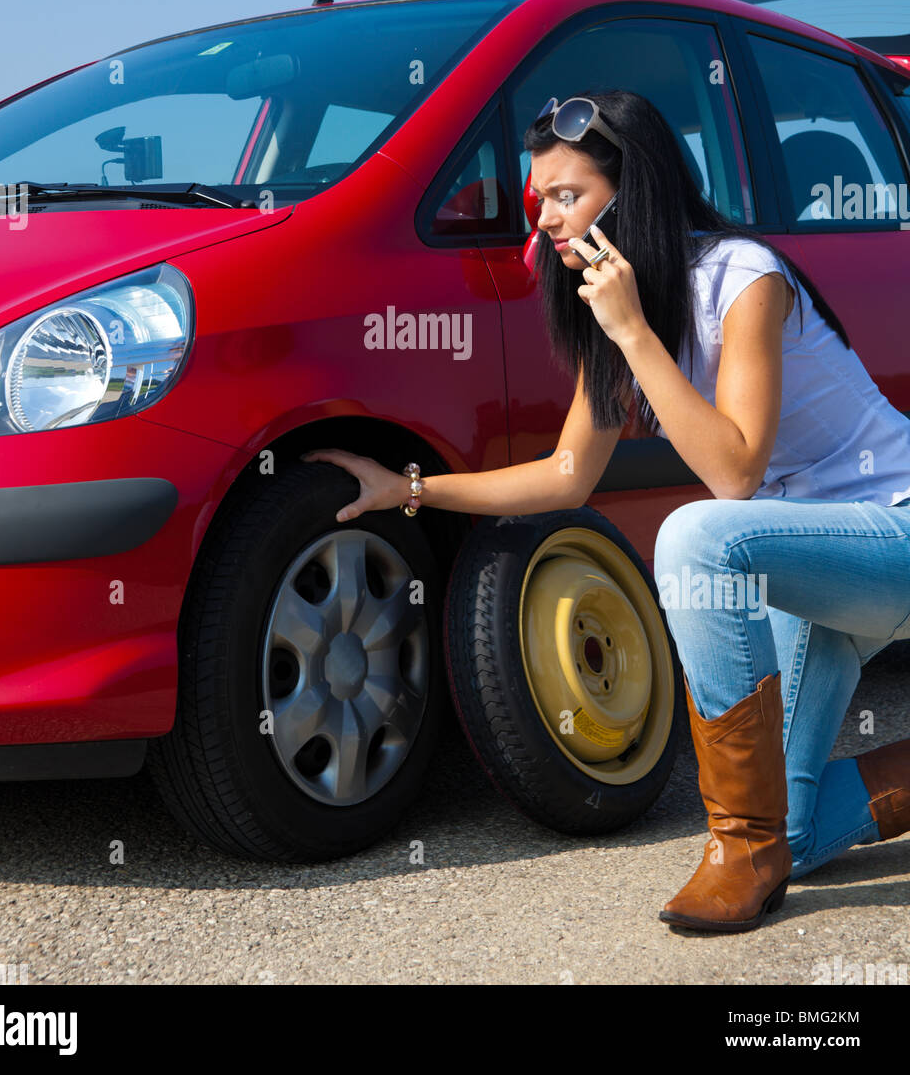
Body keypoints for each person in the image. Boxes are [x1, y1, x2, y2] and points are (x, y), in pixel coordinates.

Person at [301, 87, 910, 934]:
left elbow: (734, 473)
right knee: (796, 838)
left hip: (892, 529)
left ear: (635, 192)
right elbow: (564, 475)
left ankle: (736, 846)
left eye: (567, 196)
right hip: (809, 566)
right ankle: (767, 838)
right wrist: (408, 489)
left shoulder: (742, 276)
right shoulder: (621, 317)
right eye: (539, 197)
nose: (547, 221)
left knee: (696, 533)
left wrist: (632, 335)